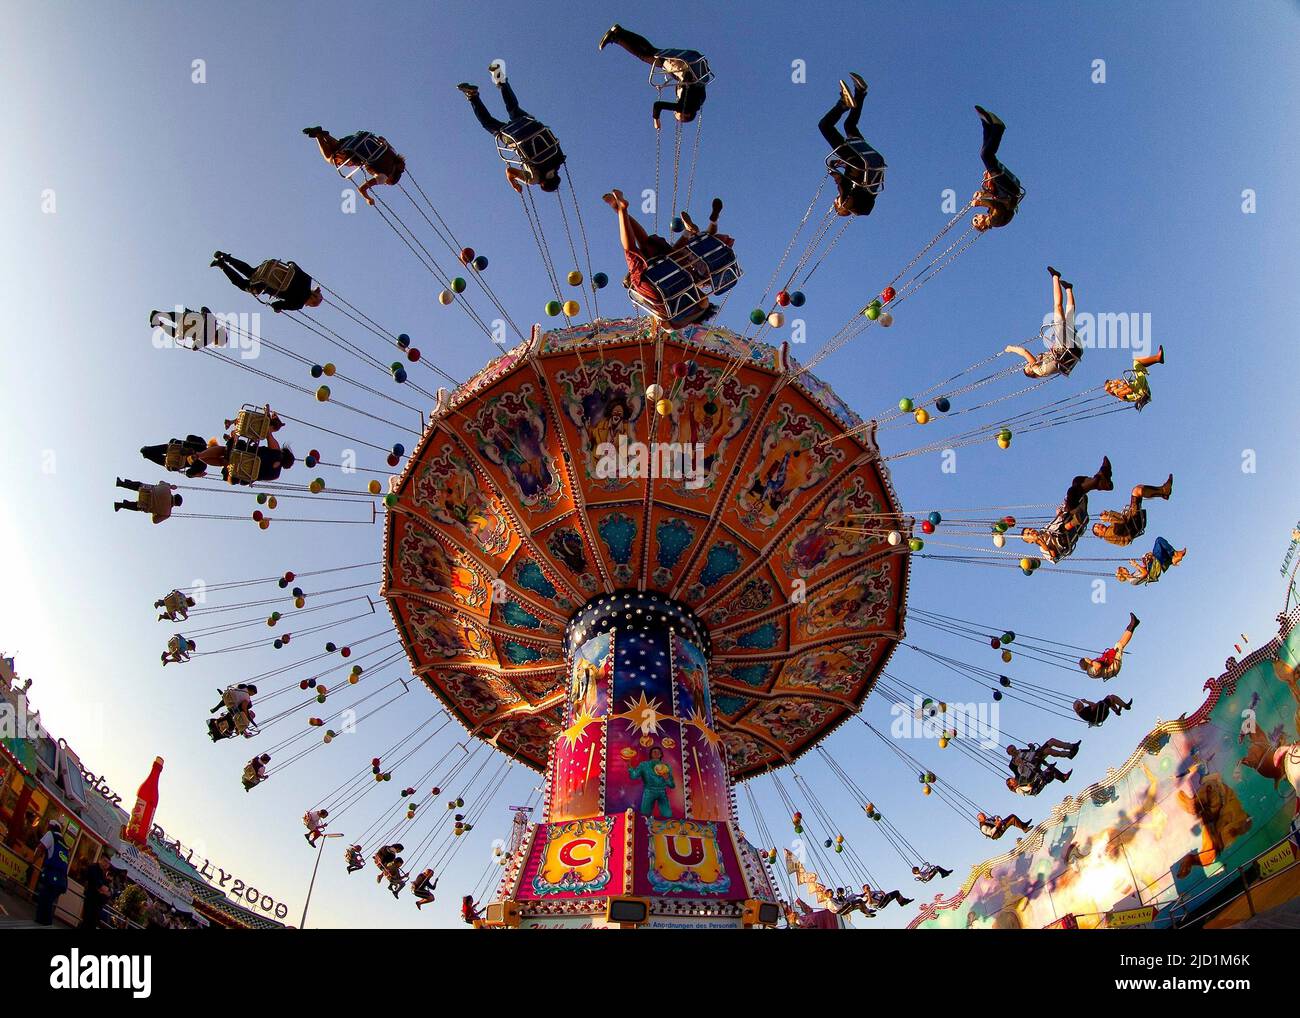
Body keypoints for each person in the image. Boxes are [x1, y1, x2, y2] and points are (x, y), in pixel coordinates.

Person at [604, 188, 726, 326]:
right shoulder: (676, 320)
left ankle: (620, 210)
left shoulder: (698, 300)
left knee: (645, 241)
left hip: (669, 267)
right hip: (654, 283)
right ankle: (621, 210)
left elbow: (698, 293)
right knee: (630, 249)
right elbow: (664, 323)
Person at [457, 69, 564, 193]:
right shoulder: (534, 179)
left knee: (513, 108)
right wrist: (514, 183)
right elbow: (510, 172)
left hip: (531, 126)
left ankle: (501, 80)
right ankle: (473, 96)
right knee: (488, 122)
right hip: (516, 137)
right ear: (543, 184)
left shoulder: (558, 159)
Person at [599, 24, 708, 126]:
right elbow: (658, 105)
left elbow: (686, 85)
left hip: (687, 67)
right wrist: (656, 120)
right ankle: (616, 36)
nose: (675, 112)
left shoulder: (694, 101)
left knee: (649, 52)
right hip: (686, 65)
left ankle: (619, 33)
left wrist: (664, 84)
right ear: (686, 114)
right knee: (648, 53)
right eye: (677, 114)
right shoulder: (687, 106)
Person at [1020, 457, 1113, 562]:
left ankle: (1102, 481)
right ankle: (1100, 480)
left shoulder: (1045, 529)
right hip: (1068, 532)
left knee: (1076, 481)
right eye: (1028, 534)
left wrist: (1059, 513)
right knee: (1060, 531)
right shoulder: (1042, 548)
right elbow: (1054, 556)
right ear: (1029, 542)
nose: (1031, 531)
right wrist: (1041, 542)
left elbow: (1058, 520)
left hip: (1070, 515)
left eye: (1029, 529)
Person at [819, 73, 885, 217]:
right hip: (858, 161)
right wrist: (832, 171)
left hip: (871, 162)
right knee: (824, 126)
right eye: (835, 201)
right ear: (839, 205)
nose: (836, 199)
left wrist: (840, 164)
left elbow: (851, 180)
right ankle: (843, 103)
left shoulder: (865, 196)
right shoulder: (846, 201)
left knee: (850, 126)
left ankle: (860, 92)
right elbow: (842, 182)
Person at [1005, 267, 1082, 378]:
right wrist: (1011, 348)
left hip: (1074, 350)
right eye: (1027, 367)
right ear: (1031, 372)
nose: (1029, 365)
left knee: (1069, 318)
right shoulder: (1037, 370)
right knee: (1058, 308)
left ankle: (1069, 289)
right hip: (1066, 348)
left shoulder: (1044, 367)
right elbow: (1024, 352)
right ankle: (1055, 277)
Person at [303, 126, 406, 205]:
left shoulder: (393, 154)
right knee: (330, 158)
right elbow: (362, 188)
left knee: (340, 146)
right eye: (386, 183)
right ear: (391, 178)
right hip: (354, 154)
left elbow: (382, 139)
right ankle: (319, 136)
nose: (384, 183)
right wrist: (368, 198)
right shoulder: (383, 177)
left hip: (359, 141)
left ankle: (325, 135)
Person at [211, 252, 323, 312]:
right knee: (243, 285)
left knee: (251, 271)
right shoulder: (298, 304)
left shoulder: (307, 279)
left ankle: (226, 257)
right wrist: (277, 309)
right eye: (310, 305)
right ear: (312, 301)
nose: (307, 306)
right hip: (266, 285)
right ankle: (222, 265)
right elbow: (277, 304)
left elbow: (291, 263)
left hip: (272, 270)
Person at [971, 106, 1022, 231]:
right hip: (1009, 190)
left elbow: (995, 199)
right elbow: (998, 206)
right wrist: (982, 201)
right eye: (977, 222)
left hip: (1005, 188)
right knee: (986, 156)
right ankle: (998, 128)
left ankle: (987, 126)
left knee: (987, 156)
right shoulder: (995, 221)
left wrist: (983, 194)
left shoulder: (990, 212)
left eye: (975, 217)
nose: (977, 217)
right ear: (982, 227)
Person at [1093, 475, 1173, 547]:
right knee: (1136, 491)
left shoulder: (1110, 527)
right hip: (1132, 525)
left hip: (1132, 520)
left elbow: (1121, 517)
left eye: (1098, 525)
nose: (1100, 526)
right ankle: (1163, 491)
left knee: (1137, 490)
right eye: (1098, 528)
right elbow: (1121, 521)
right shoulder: (1108, 536)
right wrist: (1109, 517)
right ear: (1100, 535)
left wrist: (1108, 513)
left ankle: (1163, 492)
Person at [1079, 612, 1141, 680]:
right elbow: (1098, 666)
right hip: (1113, 668)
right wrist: (1090, 661)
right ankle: (1133, 624)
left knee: (1118, 644)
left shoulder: (1090, 668)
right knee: (1119, 645)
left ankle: (1133, 625)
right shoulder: (1090, 671)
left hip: (1111, 666)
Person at [33, 820, 70, 926]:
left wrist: (32, 861)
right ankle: (45, 923)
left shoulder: (51, 835)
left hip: (51, 874)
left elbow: (40, 848)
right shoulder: (64, 843)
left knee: (44, 900)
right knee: (49, 902)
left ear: (51, 827)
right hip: (62, 880)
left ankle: (41, 923)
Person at [1116, 536, 1187, 586]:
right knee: (1159, 540)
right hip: (1153, 568)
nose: (1125, 568)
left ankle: (1172, 559)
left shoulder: (1132, 575)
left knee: (1160, 550)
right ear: (1122, 573)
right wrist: (1136, 565)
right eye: (1123, 569)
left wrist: (1145, 559)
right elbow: (1145, 573)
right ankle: (1174, 555)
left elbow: (1144, 568)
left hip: (1152, 565)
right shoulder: (1132, 581)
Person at [627, 746, 676, 818]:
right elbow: (634, 776)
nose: (656, 753)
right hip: (649, 791)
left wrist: (667, 778)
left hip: (662, 792)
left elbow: (672, 785)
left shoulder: (666, 766)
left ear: (661, 754)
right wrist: (630, 767)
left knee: (667, 815)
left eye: (658, 752)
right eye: (654, 752)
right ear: (651, 754)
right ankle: (644, 828)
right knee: (644, 815)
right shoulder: (644, 765)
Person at [149, 307, 227, 349]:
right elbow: (194, 347)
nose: (216, 343)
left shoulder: (213, 321)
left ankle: (157, 315)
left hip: (189, 319)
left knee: (178, 319)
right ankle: (158, 322)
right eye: (218, 343)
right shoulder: (208, 340)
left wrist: (204, 316)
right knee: (176, 332)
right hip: (188, 327)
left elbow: (204, 308)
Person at [113, 478, 181, 523]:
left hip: (145, 491)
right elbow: (155, 521)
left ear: (174, 495)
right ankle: (120, 505)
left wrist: (170, 486)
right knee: (140, 507)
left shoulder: (166, 488)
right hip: (145, 504)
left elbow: (161, 481)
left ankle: (121, 483)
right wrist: (155, 511)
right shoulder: (167, 513)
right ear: (176, 505)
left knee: (141, 486)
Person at [140, 435, 210, 478]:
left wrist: (196, 474)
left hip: (174, 454)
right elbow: (189, 473)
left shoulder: (202, 445)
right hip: (174, 457)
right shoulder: (202, 465)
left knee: (147, 451)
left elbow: (189, 437)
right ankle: (146, 452)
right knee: (147, 452)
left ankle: (146, 452)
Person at [79, 854, 112, 930]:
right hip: (91, 900)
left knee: (92, 924)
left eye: (108, 863)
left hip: (98, 904)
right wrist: (103, 889)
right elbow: (98, 885)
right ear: (100, 860)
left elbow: (108, 891)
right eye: (105, 861)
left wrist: (104, 891)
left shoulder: (103, 874)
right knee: (87, 922)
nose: (106, 864)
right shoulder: (93, 868)